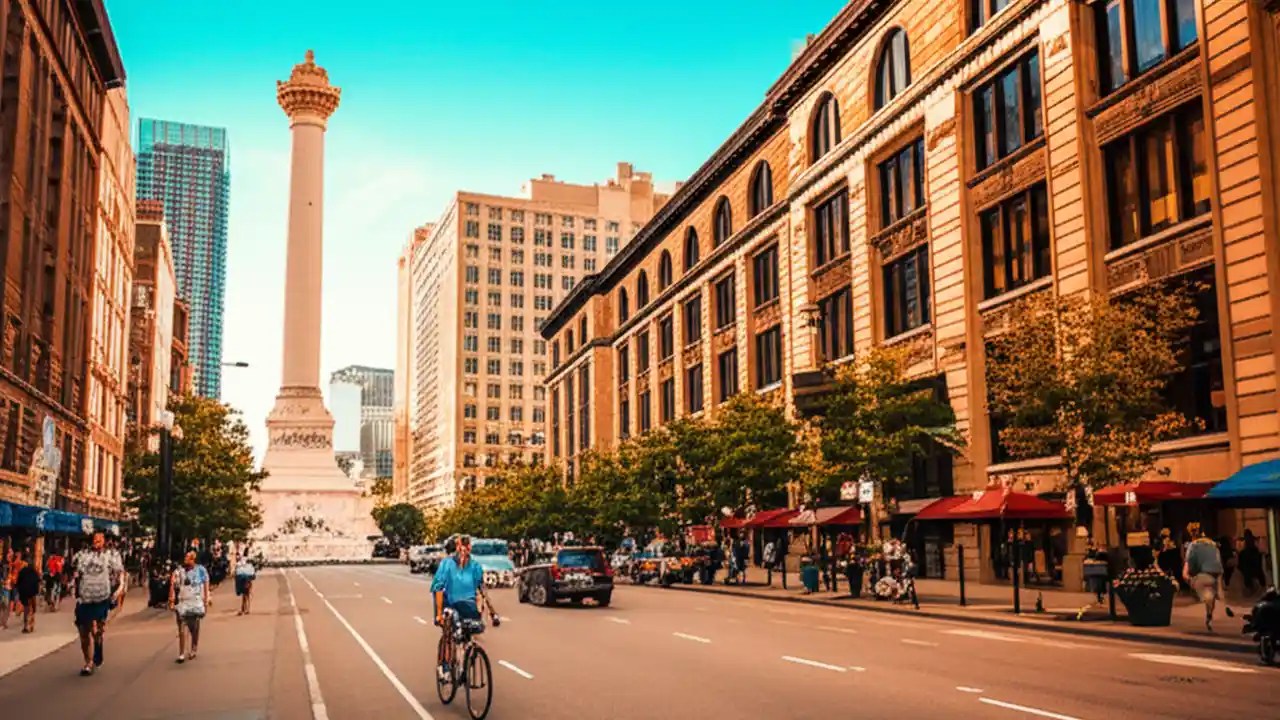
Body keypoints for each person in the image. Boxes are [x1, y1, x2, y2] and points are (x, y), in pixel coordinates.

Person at [431, 536, 496, 681]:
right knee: (449, 629)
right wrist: (439, 613)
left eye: (467, 546)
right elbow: (438, 588)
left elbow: (481, 589)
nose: (464, 550)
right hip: (447, 602)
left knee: (471, 628)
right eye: (462, 546)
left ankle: (465, 661)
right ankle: (445, 667)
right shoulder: (446, 565)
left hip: (466, 603)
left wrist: (492, 612)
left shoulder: (475, 567)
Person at [72, 532, 125, 676]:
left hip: (101, 597)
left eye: (100, 540)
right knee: (84, 631)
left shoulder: (112, 556)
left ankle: (98, 647)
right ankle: (88, 662)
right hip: (85, 598)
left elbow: (120, 574)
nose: (97, 542)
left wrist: (118, 592)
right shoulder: (83, 555)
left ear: (105, 542)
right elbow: (74, 570)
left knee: (97, 630)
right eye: (95, 539)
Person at [169, 551, 210, 663]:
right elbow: (172, 585)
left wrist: (206, 600)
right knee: (181, 627)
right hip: (182, 602)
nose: (185, 559)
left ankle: (193, 648)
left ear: (193, 559)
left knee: (194, 628)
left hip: (195, 602)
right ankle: (181, 653)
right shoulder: (179, 571)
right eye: (185, 557)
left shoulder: (200, 570)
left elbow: (206, 583)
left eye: (188, 557)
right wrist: (171, 600)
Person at [1183, 523, 1224, 631]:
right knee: (1212, 594)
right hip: (1217, 572)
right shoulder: (1212, 544)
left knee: (1205, 591)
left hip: (1204, 574)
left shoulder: (1193, 545)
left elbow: (1189, 563)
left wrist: (1187, 576)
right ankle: (1209, 614)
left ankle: (1207, 601)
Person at [16, 552, 40, 633]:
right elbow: (37, 581)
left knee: (26, 609)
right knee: (32, 609)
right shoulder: (34, 572)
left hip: (24, 593)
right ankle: (31, 625)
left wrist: (19, 591)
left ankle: (26, 625)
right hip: (32, 593)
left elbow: (18, 582)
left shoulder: (22, 571)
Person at [1239, 529, 1266, 594]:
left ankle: (1251, 586)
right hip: (1254, 574)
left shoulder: (1243, 553)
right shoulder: (1254, 546)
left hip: (1249, 575)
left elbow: (1241, 567)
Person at [0, 548, 11, 630]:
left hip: (6, 587)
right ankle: (2, 622)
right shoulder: (5, 565)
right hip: (4, 587)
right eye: (9, 554)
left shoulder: (10, 564)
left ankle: (3, 622)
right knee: (4, 605)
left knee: (5, 606)